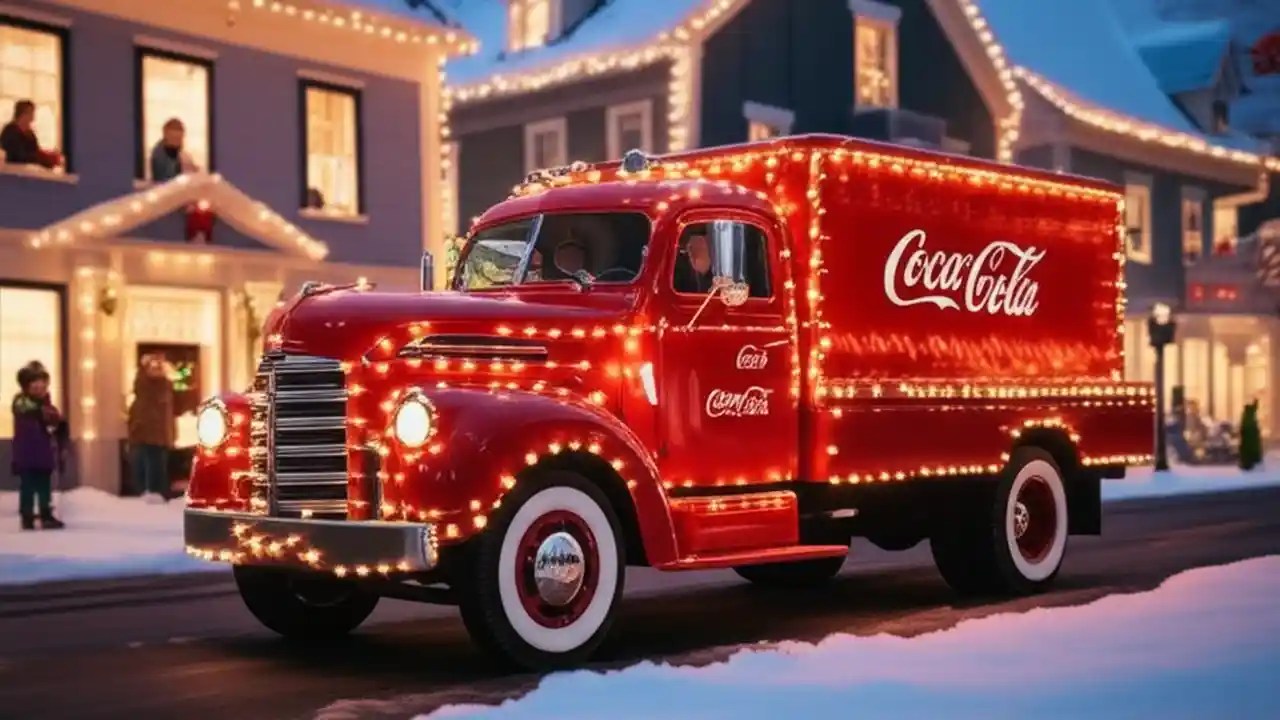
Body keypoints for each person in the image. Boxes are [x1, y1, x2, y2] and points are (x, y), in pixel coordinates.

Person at [12, 362, 66, 530]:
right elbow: (27, 411)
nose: (39, 388)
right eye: (35, 385)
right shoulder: (22, 403)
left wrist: (59, 426)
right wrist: (44, 413)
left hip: (43, 452)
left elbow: (55, 423)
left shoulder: (47, 406)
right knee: (28, 485)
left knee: (44, 485)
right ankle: (27, 515)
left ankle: (45, 512)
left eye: (43, 385)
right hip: (26, 452)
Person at [127, 354, 176, 503]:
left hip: (155, 437)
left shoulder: (162, 388)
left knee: (155, 467)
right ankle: (148, 494)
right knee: (146, 467)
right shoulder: (146, 388)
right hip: (145, 436)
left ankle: (154, 494)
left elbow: (167, 415)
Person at [0, 100, 62, 169]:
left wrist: (48, 157)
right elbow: (19, 155)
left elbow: (35, 150)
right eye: (31, 113)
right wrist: (43, 158)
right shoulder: (10, 131)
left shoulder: (30, 133)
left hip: (30, 169)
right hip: (13, 169)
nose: (33, 116)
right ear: (23, 114)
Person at [149, 118, 198, 183]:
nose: (181, 142)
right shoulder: (160, 156)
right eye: (176, 139)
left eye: (181, 138)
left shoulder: (177, 153)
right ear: (166, 135)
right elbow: (169, 182)